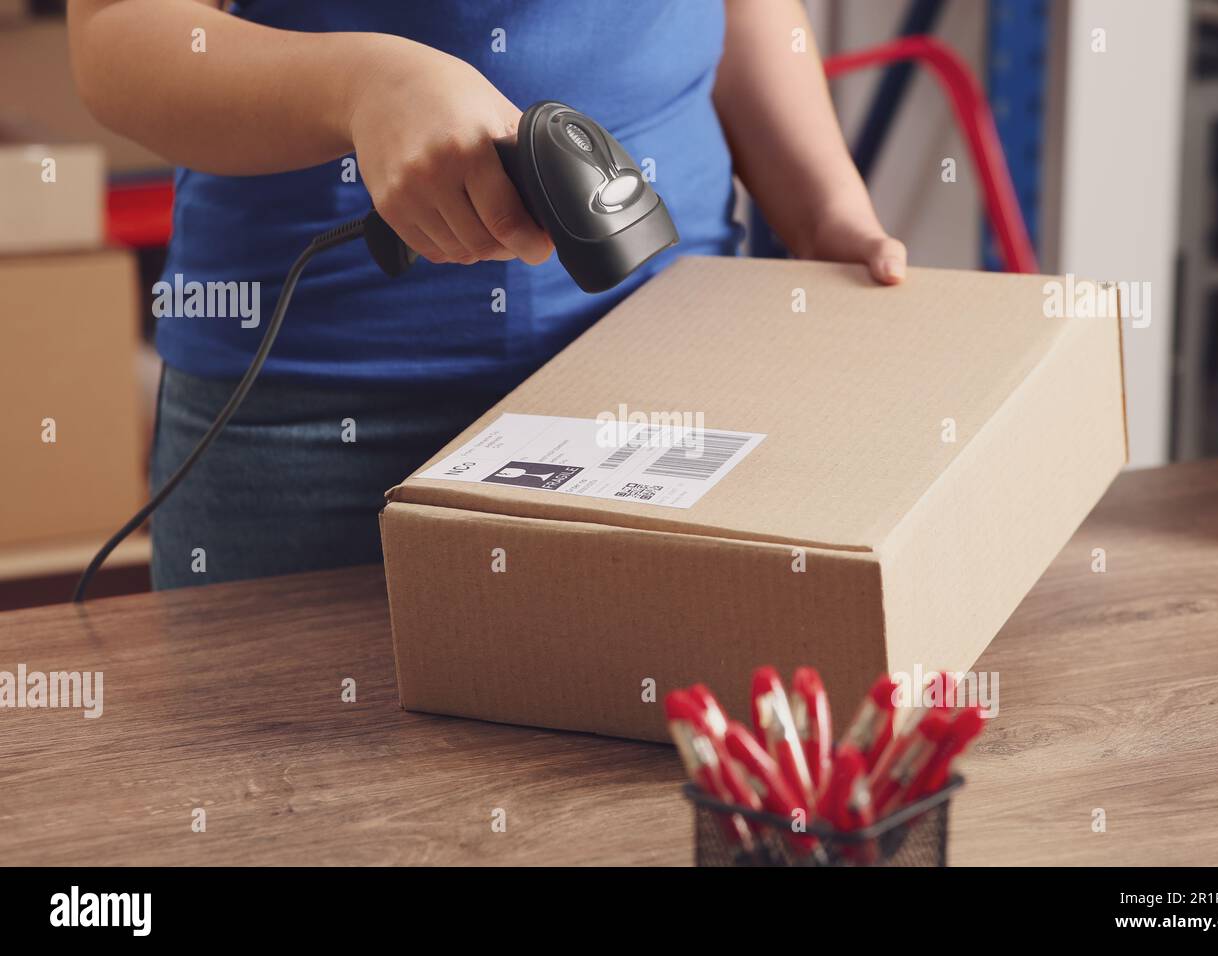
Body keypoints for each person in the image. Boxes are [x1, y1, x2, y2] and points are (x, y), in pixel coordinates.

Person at [68, 0, 907, 589]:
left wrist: (828, 211)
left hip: (668, 359)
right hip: (306, 401)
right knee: (276, 796)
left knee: (645, 793)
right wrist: (360, 84)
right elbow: (117, 30)